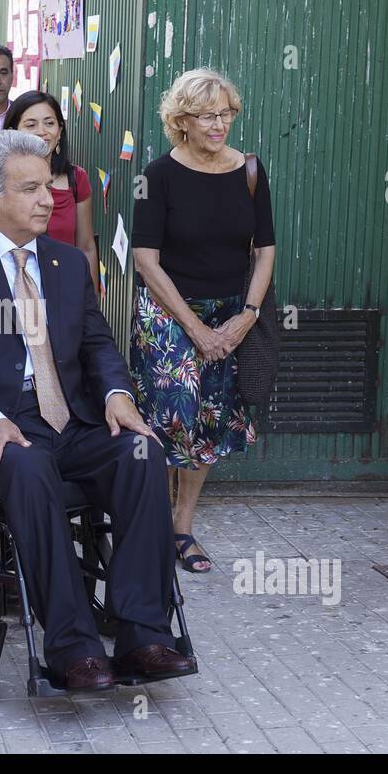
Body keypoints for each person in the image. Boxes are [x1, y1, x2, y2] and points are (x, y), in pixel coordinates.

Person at [0, 130, 194, 691]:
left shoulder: (64, 263)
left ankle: (144, 634)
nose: (47, 199)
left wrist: (117, 396)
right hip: (3, 423)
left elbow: (97, 344)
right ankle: (73, 646)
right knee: (29, 468)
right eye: (30, 189)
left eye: (50, 187)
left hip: (76, 420)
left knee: (140, 452)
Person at [130, 67, 275, 574]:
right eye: (206, 115)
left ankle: (182, 529)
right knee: (171, 415)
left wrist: (247, 316)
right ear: (181, 120)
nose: (218, 124)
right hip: (169, 312)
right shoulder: (156, 176)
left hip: (230, 313)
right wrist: (194, 329)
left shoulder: (251, 171)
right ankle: (147, 523)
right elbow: (146, 261)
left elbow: (265, 250)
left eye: (226, 113)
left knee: (210, 421)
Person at [4, 90, 101, 294]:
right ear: (13, 131)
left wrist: (90, 305)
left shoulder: (77, 179)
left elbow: (86, 247)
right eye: (31, 125)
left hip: (66, 289)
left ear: (60, 131)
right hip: (15, 289)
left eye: (49, 123)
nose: (42, 131)